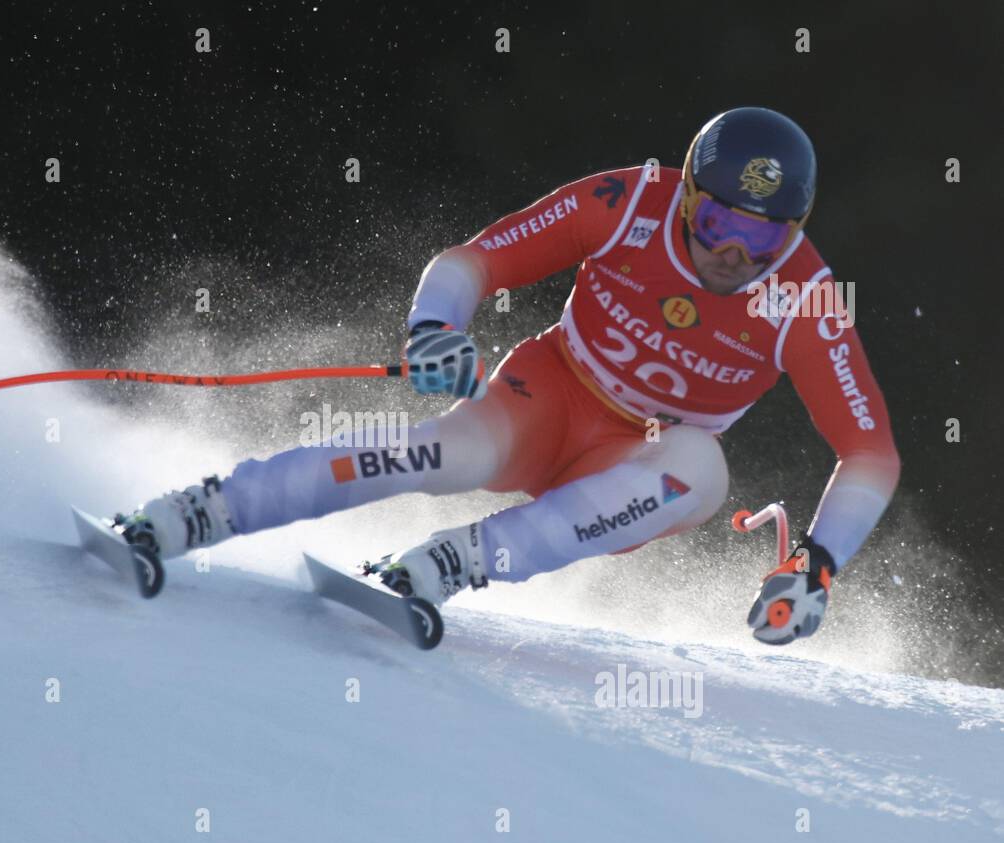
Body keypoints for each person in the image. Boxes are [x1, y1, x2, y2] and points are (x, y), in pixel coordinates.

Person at [117, 107, 900, 645]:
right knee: (438, 454)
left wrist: (816, 563)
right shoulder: (630, 201)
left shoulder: (805, 297)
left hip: (633, 463)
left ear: (793, 234)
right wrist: (435, 330)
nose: (733, 254)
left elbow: (870, 453)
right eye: (719, 222)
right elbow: (473, 261)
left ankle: (454, 562)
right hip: (549, 394)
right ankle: (198, 511)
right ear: (688, 195)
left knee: (701, 469)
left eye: (762, 239)